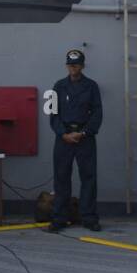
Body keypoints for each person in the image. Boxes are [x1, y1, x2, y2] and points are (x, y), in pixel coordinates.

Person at [45, 48, 103, 233]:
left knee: (89, 178)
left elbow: (97, 113)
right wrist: (63, 134)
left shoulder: (92, 86)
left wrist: (84, 133)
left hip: (85, 138)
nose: (73, 68)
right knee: (61, 179)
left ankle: (89, 218)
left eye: (76, 65)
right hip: (63, 139)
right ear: (66, 66)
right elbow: (53, 114)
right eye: (70, 65)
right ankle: (59, 218)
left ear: (82, 66)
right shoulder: (58, 86)